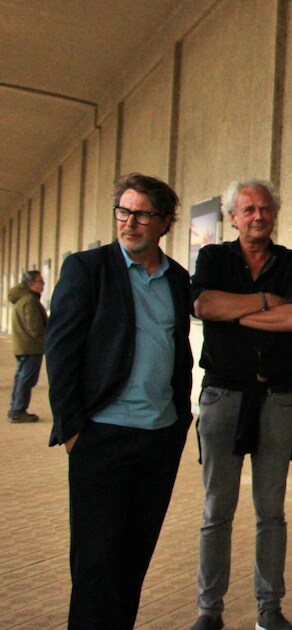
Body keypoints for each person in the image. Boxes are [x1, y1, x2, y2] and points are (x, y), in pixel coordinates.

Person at [45, 173, 194, 629]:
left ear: (165, 222)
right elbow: (61, 349)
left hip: (158, 437)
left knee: (133, 558)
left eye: (143, 214)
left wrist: (178, 424)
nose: (129, 222)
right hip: (101, 435)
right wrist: (72, 430)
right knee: (95, 563)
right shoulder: (87, 268)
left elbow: (178, 351)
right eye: (123, 211)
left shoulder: (178, 279)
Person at [189, 179, 292, 630]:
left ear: (274, 214)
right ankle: (209, 610)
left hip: (276, 397)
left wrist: (236, 311)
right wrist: (264, 302)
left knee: (271, 511)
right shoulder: (213, 258)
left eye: (265, 208)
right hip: (222, 395)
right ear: (232, 217)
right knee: (216, 509)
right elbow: (203, 305)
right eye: (248, 209)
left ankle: (269, 608)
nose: (257, 216)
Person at [9, 269, 47, 423]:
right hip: (31, 347)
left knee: (21, 378)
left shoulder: (23, 299)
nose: (43, 285)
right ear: (32, 284)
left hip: (23, 346)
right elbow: (35, 328)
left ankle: (15, 409)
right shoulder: (30, 301)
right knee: (26, 380)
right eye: (41, 282)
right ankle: (19, 410)